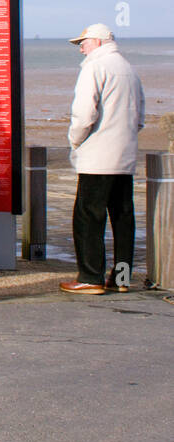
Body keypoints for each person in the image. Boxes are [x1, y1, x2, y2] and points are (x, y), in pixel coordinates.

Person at [60, 24, 145, 295]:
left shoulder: (94, 67)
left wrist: (74, 139)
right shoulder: (129, 70)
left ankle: (90, 276)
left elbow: (84, 114)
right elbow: (140, 116)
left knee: (88, 216)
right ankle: (121, 278)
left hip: (97, 156)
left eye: (83, 42)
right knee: (122, 217)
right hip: (124, 154)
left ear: (97, 41)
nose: (81, 48)